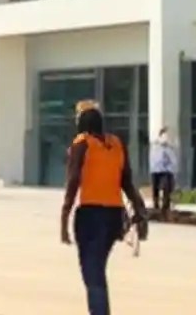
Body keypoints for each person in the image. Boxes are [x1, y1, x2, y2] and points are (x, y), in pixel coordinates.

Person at [59, 101, 147, 315]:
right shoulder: (117, 143)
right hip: (114, 216)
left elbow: (73, 182)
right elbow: (127, 182)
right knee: (97, 268)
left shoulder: (82, 143)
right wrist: (140, 211)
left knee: (91, 271)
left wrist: (64, 218)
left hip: (90, 214)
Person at [149, 127, 177, 217]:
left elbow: (173, 160)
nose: (166, 138)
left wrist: (172, 170)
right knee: (155, 189)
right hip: (156, 170)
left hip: (166, 171)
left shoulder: (169, 148)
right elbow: (153, 158)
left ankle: (165, 208)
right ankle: (156, 206)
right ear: (160, 136)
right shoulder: (155, 146)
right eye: (164, 136)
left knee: (166, 189)